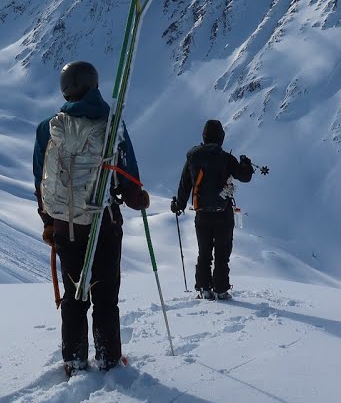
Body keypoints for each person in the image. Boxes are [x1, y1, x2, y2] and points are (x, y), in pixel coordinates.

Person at [34, 60, 150, 373]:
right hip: (105, 223)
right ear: (94, 84)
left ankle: (74, 360)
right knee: (105, 295)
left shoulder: (48, 128)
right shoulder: (112, 126)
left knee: (74, 295)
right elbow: (129, 181)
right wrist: (138, 198)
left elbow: (40, 182)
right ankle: (108, 358)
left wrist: (49, 224)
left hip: (66, 226)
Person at [170, 119, 254, 300]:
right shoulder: (226, 158)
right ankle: (221, 290)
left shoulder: (193, 156)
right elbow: (244, 176)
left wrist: (179, 204)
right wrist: (245, 163)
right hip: (223, 214)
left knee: (204, 252)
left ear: (204, 136)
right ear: (221, 137)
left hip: (202, 214)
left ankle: (204, 289)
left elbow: (185, 184)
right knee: (222, 253)